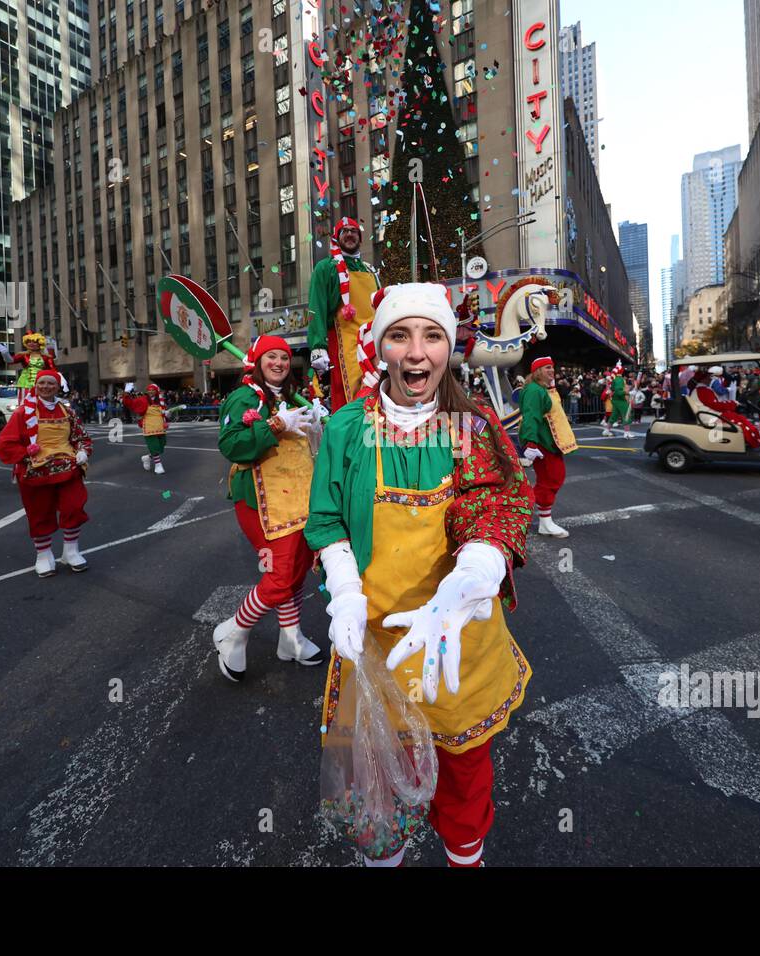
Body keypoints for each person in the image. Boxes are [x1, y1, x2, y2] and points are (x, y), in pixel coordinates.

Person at [305, 282, 534, 868]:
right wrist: (346, 591)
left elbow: (499, 503)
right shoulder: (345, 429)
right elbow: (327, 519)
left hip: (457, 638)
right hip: (377, 643)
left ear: (448, 347)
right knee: (379, 781)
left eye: (432, 335)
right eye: (400, 335)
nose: (416, 352)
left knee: (463, 778)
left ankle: (465, 857)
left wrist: (478, 566)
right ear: (381, 347)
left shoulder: (472, 426)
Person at [213, 335, 326, 680]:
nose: (278, 363)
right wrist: (276, 425)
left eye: (283, 357)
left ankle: (290, 639)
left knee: (295, 571)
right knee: (278, 575)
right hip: (262, 502)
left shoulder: (291, 397)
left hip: (297, 498)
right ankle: (235, 630)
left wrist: (318, 422)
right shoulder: (244, 397)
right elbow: (231, 445)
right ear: (258, 362)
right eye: (271, 357)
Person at [0, 368, 93, 576]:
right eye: (42, 383)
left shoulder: (68, 411)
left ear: (58, 387)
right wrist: (25, 454)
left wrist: (83, 451)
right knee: (39, 513)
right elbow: (5, 443)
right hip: (35, 472)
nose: (46, 387)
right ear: (36, 385)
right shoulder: (23, 412)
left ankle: (71, 551)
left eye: (51, 384)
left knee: (74, 506)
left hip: (68, 468)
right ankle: (43, 554)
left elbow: (81, 436)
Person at [308, 217, 382, 411]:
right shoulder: (327, 268)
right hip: (344, 343)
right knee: (350, 394)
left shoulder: (370, 270)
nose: (349, 234)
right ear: (336, 238)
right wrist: (318, 346)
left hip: (373, 343)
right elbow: (317, 305)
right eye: (344, 231)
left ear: (360, 238)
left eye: (353, 231)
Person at [519, 356, 576, 538]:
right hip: (542, 444)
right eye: (546, 368)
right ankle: (539, 519)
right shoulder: (535, 390)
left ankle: (540, 519)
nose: (551, 370)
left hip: (549, 443)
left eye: (552, 367)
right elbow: (531, 416)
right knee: (551, 479)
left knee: (551, 479)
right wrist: (530, 442)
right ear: (537, 371)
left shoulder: (541, 388)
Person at [693, 369, 760, 449]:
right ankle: (755, 441)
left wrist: (731, 403)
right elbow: (715, 405)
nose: (710, 379)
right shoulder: (702, 390)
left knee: (741, 418)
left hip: (713, 413)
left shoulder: (702, 390)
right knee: (740, 422)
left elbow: (714, 404)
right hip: (711, 416)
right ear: (703, 379)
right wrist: (732, 404)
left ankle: (755, 438)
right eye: (708, 377)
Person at [0, 331, 58, 399]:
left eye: (34, 342)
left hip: (42, 384)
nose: (31, 344)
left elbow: (53, 370)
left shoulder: (46, 357)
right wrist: (5, 353)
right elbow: (10, 360)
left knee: (41, 403)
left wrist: (59, 379)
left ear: (40, 343)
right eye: (29, 342)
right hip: (25, 383)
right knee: (25, 403)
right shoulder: (23, 355)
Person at [124, 383, 170, 475]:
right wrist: (126, 393)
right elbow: (130, 403)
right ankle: (158, 465)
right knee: (154, 446)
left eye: (152, 390)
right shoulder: (143, 399)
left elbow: (164, 413)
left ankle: (147, 457)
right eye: (149, 390)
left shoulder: (161, 401)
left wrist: (167, 414)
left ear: (156, 391)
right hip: (149, 427)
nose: (150, 391)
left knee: (161, 446)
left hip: (160, 426)